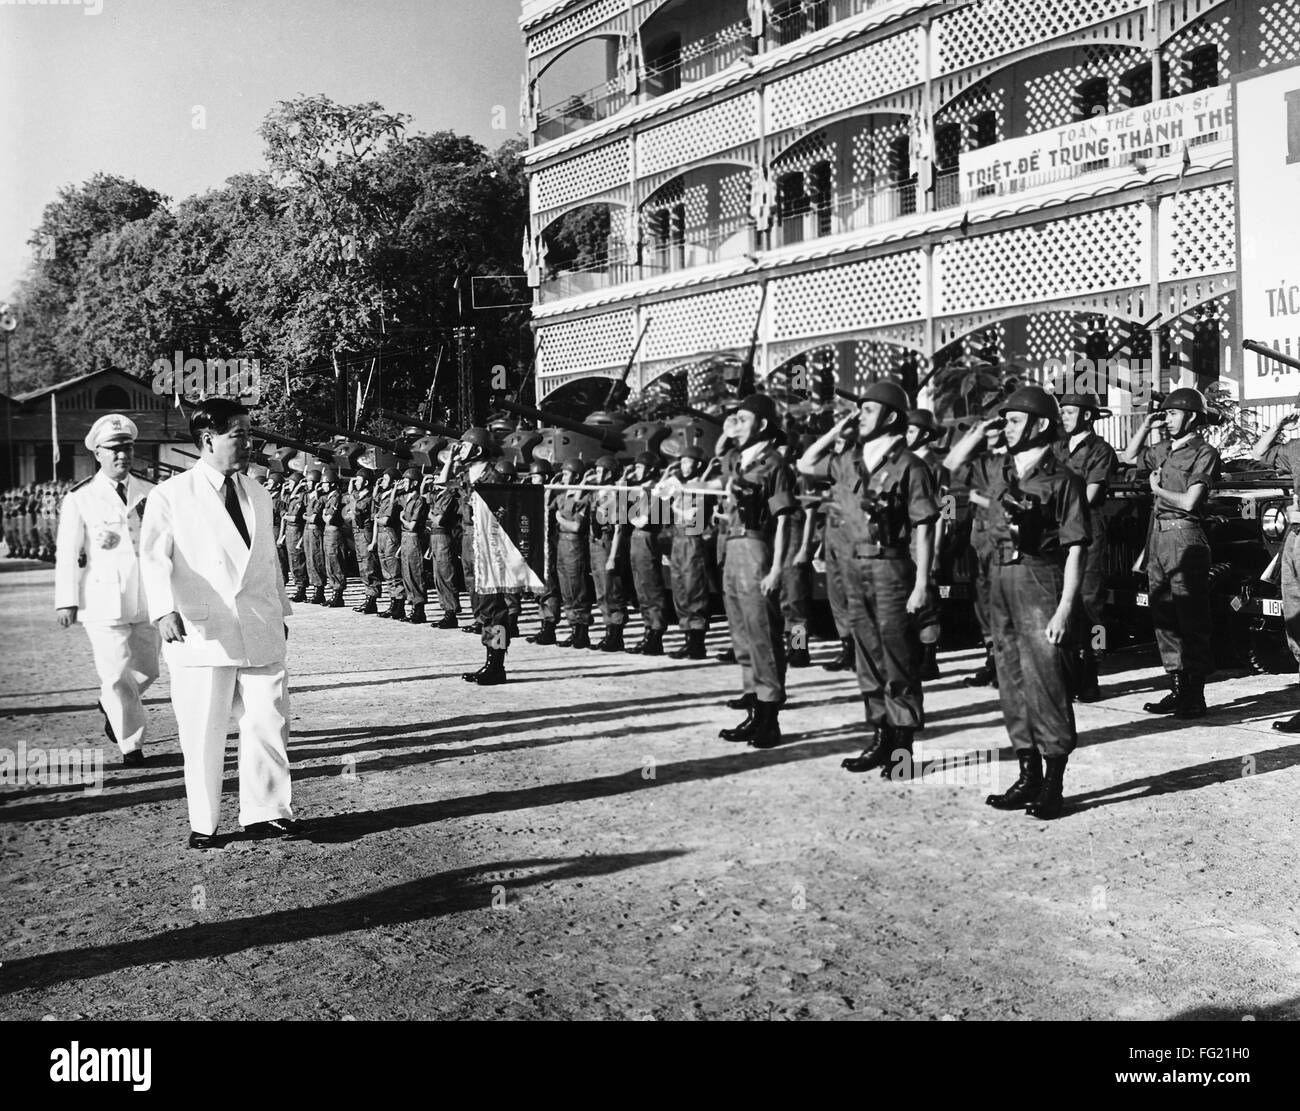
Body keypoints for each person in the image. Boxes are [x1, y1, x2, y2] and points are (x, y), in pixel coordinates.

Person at [140, 399, 295, 849]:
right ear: (208, 439)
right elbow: (152, 557)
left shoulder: (259, 492)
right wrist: (163, 609)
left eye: (249, 434)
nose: (248, 443)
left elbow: (267, 561)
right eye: (238, 435)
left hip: (259, 623)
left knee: (268, 719)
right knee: (204, 730)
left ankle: (266, 813)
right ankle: (205, 823)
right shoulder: (172, 495)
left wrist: (280, 611)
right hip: (200, 629)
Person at [946, 387, 1090, 820]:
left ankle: (1053, 783)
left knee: (1045, 680)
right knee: (1009, 678)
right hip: (999, 580)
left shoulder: (1063, 480)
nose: (1005, 427)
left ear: (1040, 425)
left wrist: (1065, 607)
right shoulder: (996, 469)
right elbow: (950, 470)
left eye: (1013, 420)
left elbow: (1076, 548)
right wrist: (981, 430)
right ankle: (1026, 774)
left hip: (1040, 578)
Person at [800, 382, 938, 778]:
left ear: (891, 417)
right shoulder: (849, 460)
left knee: (898, 659)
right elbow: (806, 464)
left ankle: (902, 750)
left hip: (892, 568)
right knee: (867, 657)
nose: (860, 415)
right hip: (853, 569)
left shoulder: (911, 465)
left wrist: (923, 584)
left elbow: (924, 527)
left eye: (868, 409)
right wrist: (837, 429)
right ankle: (880, 737)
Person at [676, 394, 794, 748]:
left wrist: (776, 570)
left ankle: (770, 718)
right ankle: (754, 709)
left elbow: (785, 518)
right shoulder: (736, 460)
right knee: (742, 635)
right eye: (734, 419)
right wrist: (680, 487)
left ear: (761, 425)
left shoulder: (774, 464)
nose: (735, 425)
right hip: (731, 548)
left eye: (742, 419)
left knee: (763, 636)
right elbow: (716, 481)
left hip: (756, 547)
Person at [54, 414, 161, 767]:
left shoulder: (151, 492)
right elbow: (67, 552)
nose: (122, 455)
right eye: (114, 449)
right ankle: (131, 745)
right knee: (116, 676)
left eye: (127, 448)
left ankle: (110, 703)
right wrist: (66, 599)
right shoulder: (81, 498)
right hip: (102, 600)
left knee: (147, 672)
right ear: (97, 453)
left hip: (147, 598)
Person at [1120, 388, 1221, 719]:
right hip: (1158, 536)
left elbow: (1191, 501)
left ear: (1192, 417)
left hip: (1184, 535)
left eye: (1174, 414)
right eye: (1166, 413)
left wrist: (1158, 491)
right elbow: (1126, 457)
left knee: (1190, 616)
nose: (1169, 419)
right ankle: (1177, 688)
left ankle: (1195, 694)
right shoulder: (1160, 449)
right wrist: (1146, 427)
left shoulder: (1203, 452)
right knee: (1163, 614)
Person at [1053, 392, 1119, 702]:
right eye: (1062, 411)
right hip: (1058, 536)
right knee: (1059, 603)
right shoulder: (1055, 449)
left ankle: (1091, 672)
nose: (1064, 416)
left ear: (1088, 416)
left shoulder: (1100, 450)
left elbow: (1091, 495)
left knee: (1091, 605)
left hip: (1088, 533)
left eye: (1070, 411)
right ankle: (1066, 674)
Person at [947, 419, 1007, 688]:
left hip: (1005, 535)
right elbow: (951, 464)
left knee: (1004, 599)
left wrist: (981, 500)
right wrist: (976, 433)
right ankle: (992, 659)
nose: (993, 431)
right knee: (982, 599)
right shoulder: (983, 461)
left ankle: (1007, 663)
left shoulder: (1020, 461)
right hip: (980, 534)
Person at [1251, 407, 1300, 731]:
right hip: (1296, 537)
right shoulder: (1296, 448)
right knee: (1296, 620)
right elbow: (1259, 453)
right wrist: (1280, 423)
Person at [657, 445, 712, 660]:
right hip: (678, 538)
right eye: (682, 462)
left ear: (698, 465)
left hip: (691, 538)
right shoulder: (679, 484)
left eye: (688, 462)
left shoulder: (702, 487)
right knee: (680, 590)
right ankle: (689, 640)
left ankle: (799, 648)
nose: (684, 466)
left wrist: (674, 505)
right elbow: (658, 494)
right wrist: (668, 474)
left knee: (693, 590)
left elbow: (693, 518)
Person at [906, 408, 947, 680]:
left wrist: (936, 550)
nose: (905, 435)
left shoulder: (935, 466)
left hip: (926, 539)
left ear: (924, 434)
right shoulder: (901, 462)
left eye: (910, 430)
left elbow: (945, 510)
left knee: (928, 602)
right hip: (905, 538)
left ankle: (929, 659)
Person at [624, 451, 669, 655]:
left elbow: (644, 520)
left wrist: (632, 514)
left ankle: (656, 634)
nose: (637, 471)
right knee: (641, 588)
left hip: (648, 538)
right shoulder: (640, 491)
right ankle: (648, 630)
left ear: (650, 469)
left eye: (640, 467)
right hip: (637, 538)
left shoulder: (657, 492)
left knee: (651, 587)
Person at [588, 454, 631, 652]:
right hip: (596, 544)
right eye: (597, 470)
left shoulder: (615, 495)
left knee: (612, 590)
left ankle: (616, 635)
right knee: (601, 591)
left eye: (602, 471)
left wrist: (613, 556)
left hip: (608, 543)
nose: (598, 474)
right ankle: (609, 631)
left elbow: (619, 528)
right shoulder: (597, 492)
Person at [554, 456, 595, 649]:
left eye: (567, 473)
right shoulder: (563, 495)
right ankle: (573, 628)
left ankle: (582, 631)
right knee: (566, 589)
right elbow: (547, 507)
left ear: (576, 476)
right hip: (562, 543)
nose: (563, 476)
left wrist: (559, 519)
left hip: (574, 544)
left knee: (577, 587)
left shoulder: (585, 498)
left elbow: (576, 526)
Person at [527, 459, 562, 645]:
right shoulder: (534, 494)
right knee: (540, 590)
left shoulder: (554, 494)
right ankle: (544, 626)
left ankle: (549, 628)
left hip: (548, 545)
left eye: (535, 476)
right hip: (536, 545)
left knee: (548, 589)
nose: (532, 479)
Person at [426, 460, 461, 629]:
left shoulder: (448, 496)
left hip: (444, 537)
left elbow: (439, 520)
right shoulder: (438, 496)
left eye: (436, 476)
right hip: (435, 538)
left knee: (446, 574)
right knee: (438, 576)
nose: (433, 480)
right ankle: (446, 610)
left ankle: (451, 612)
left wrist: (430, 514)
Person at [372, 467, 406, 620]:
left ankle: (399, 606)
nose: (382, 481)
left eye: (386, 479)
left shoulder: (398, 497)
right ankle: (393, 604)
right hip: (381, 535)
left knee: (394, 572)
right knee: (386, 572)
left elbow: (385, 518)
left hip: (390, 535)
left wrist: (394, 490)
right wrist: (379, 485)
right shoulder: (384, 496)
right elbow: (375, 504)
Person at [398, 466, 430, 624]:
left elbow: (411, 525)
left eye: (406, 481)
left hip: (412, 537)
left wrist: (402, 518)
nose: (403, 484)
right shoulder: (408, 499)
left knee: (415, 573)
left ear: (415, 483)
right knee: (406, 573)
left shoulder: (418, 501)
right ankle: (412, 607)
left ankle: (419, 610)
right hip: (405, 538)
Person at [348, 470, 382, 615]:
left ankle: (372, 600)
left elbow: (374, 521)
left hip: (365, 533)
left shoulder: (369, 499)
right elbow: (351, 496)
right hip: (357, 533)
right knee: (362, 566)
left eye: (358, 480)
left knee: (369, 567)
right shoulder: (358, 496)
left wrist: (373, 541)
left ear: (366, 483)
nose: (355, 483)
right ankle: (368, 597)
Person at [320, 467, 348, 607]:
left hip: (333, 532)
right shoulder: (330, 497)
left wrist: (324, 514)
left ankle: (338, 594)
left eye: (324, 483)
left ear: (331, 484)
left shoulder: (335, 497)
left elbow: (328, 519)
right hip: (328, 532)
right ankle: (334, 592)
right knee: (329, 562)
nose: (322, 486)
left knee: (335, 562)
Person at [281, 471, 308, 603]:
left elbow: (295, 516)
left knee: (297, 560)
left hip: (296, 530)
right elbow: (284, 499)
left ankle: (301, 589)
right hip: (290, 530)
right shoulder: (295, 496)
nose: (288, 485)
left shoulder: (301, 497)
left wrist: (285, 516)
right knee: (292, 560)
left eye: (292, 483)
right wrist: (292, 487)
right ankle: (299, 587)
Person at [301, 467, 326, 605]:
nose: (308, 484)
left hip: (315, 530)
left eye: (311, 482)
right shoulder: (307, 496)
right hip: (307, 529)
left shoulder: (319, 498)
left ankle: (319, 590)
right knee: (309, 560)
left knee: (316, 559)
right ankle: (315, 589)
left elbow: (314, 517)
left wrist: (307, 517)